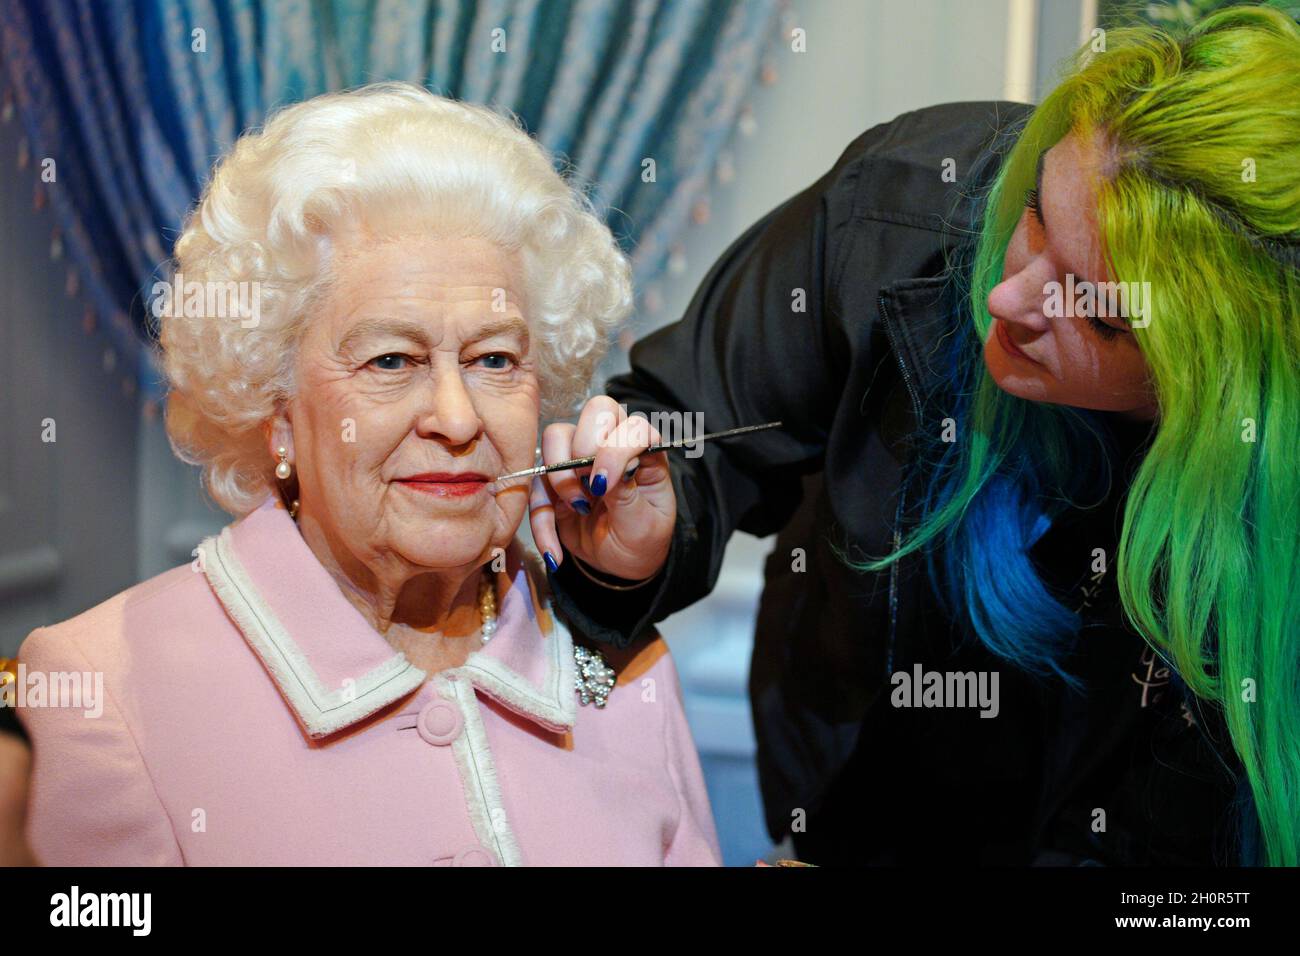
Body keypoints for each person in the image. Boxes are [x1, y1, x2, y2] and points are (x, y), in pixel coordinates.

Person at [527, 5, 1300, 865]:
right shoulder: (896, 215)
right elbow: (698, 427)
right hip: (852, 795)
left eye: (1096, 311)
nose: (1008, 298)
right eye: (1037, 213)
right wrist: (646, 529)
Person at [16, 83, 720, 866]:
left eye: (495, 359)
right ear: (276, 409)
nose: (457, 418)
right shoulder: (102, 691)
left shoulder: (621, 656)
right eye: (391, 360)